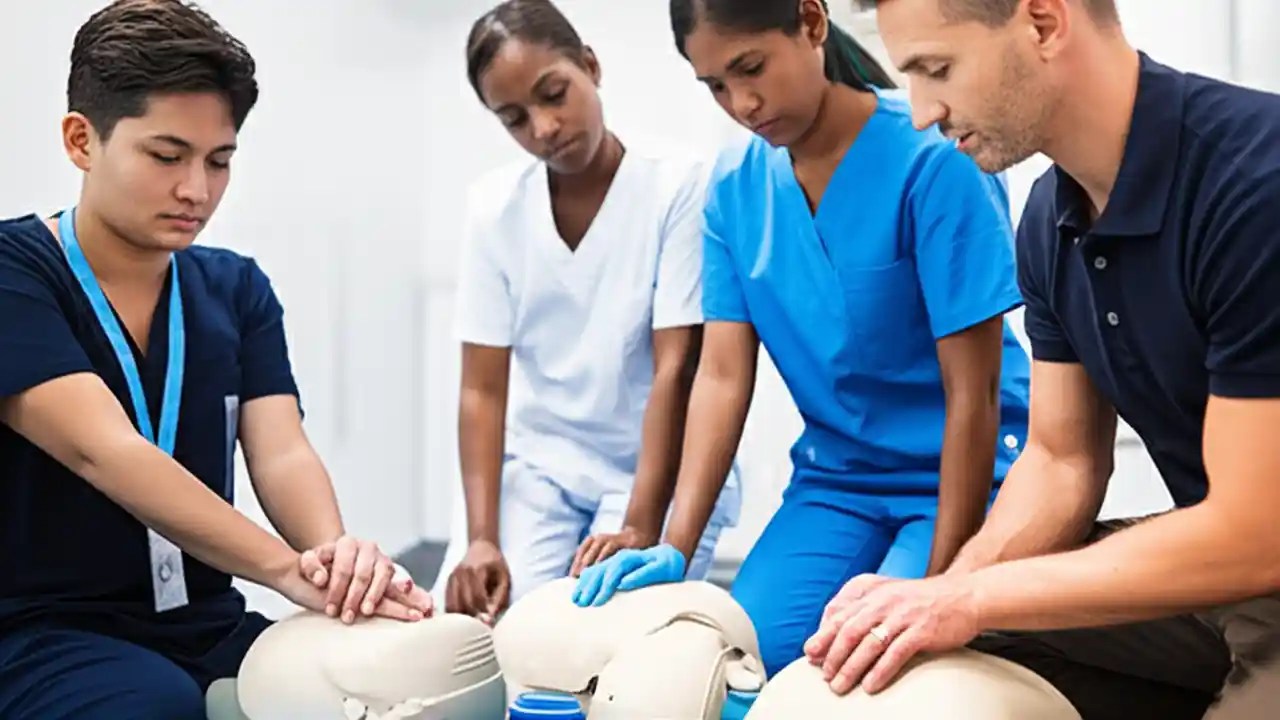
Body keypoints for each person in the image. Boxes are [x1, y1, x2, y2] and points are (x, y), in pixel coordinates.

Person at [803, 0, 1280, 718]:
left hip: (1256, 556)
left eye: (937, 70)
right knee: (952, 652)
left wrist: (970, 594)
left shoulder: (1256, 183)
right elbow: (1062, 460)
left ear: (1043, 22)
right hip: (1223, 588)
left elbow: (1256, 534)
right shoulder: (1049, 222)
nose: (924, 112)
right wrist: (941, 595)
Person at [573, 0, 1032, 679]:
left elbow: (976, 392)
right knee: (739, 658)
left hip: (968, 474)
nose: (742, 102)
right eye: (716, 86)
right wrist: (675, 542)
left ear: (811, 23)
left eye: (750, 68)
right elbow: (722, 377)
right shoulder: (734, 190)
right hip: (838, 481)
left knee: (882, 666)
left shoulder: (935, 162)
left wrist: (941, 585)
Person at [0, 2, 432, 718]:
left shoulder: (236, 288)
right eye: (167, 157)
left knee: (390, 676)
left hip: (203, 625)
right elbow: (103, 450)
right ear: (82, 139)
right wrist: (287, 573)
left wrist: (338, 562)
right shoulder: (16, 273)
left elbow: (282, 452)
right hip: (45, 630)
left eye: (219, 160)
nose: (195, 190)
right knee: (158, 705)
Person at [432, 0, 740, 624]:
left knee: (594, 638)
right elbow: (482, 391)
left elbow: (675, 369)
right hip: (545, 467)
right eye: (515, 118)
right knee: (492, 633)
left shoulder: (677, 184)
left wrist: (639, 526)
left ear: (591, 68)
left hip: (653, 472)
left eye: (554, 95)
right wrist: (481, 537)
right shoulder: (494, 209)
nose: (543, 127)